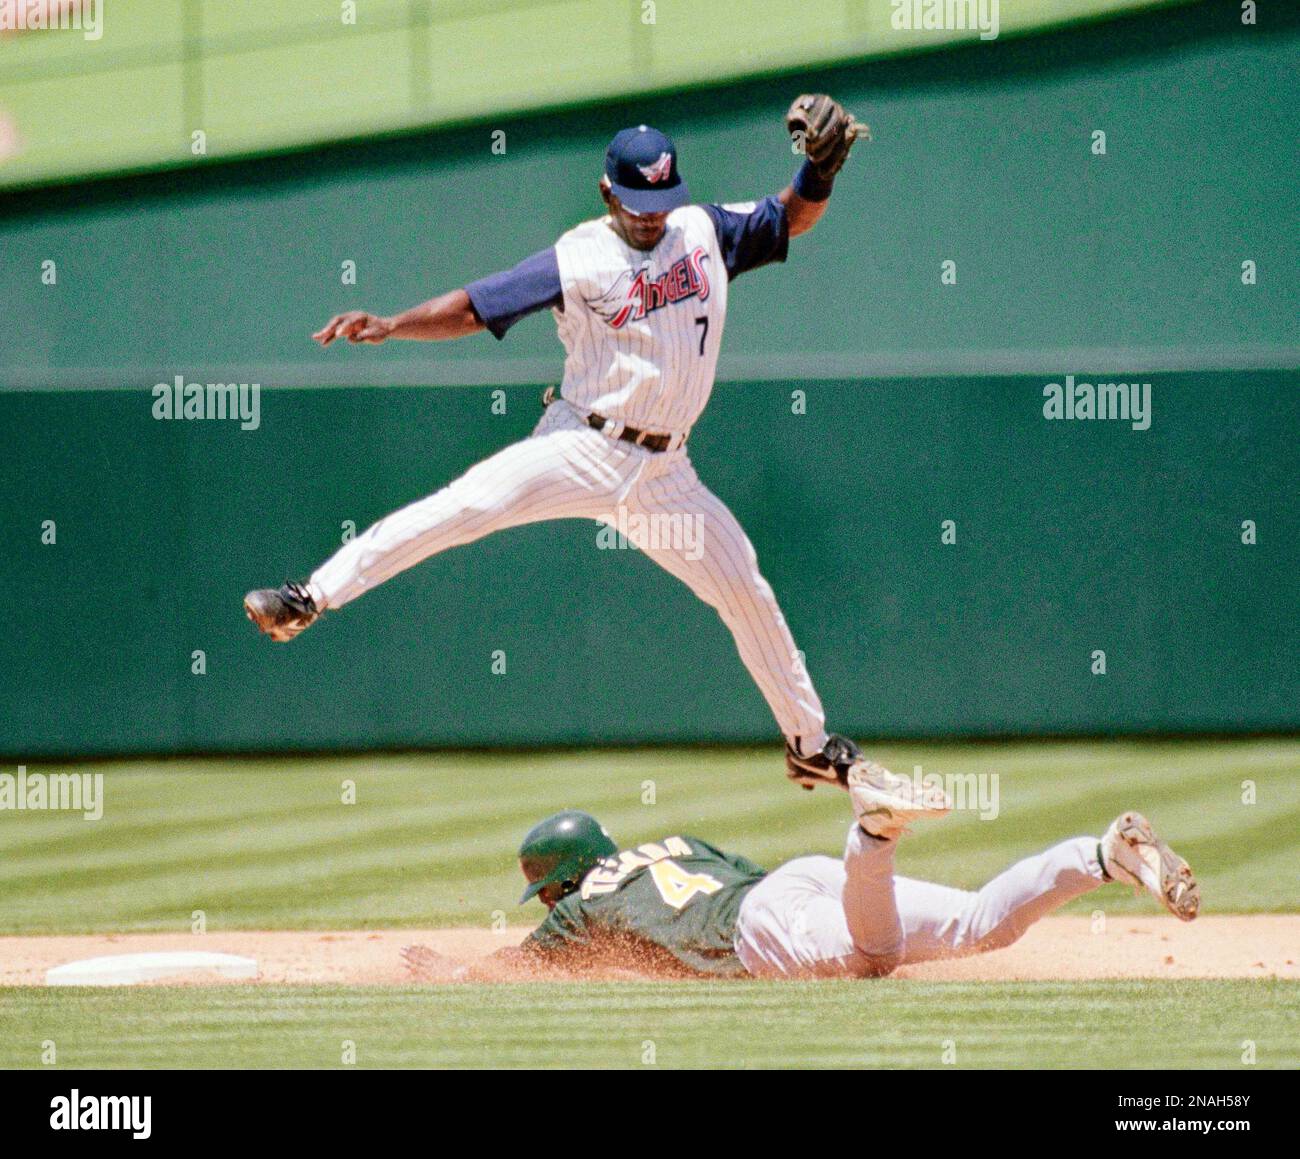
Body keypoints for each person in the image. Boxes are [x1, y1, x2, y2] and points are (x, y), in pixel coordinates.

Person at [244, 97, 878, 790]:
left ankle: (808, 744)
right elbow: (472, 306)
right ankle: (310, 595)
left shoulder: (703, 231)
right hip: (584, 444)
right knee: (467, 506)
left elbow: (792, 217)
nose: (650, 212)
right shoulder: (577, 258)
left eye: (660, 197)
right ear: (607, 190)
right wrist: (393, 324)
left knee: (744, 587)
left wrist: (819, 172)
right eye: (636, 198)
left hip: (667, 472)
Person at [401, 762, 1200, 982]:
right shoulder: (673, 842)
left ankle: (873, 833)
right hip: (789, 883)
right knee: (976, 926)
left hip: (766, 934)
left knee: (873, 957)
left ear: (564, 878)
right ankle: (1100, 855)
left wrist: (451, 968)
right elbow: (752, 876)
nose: (552, 901)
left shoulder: (581, 909)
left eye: (548, 889)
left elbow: (518, 963)